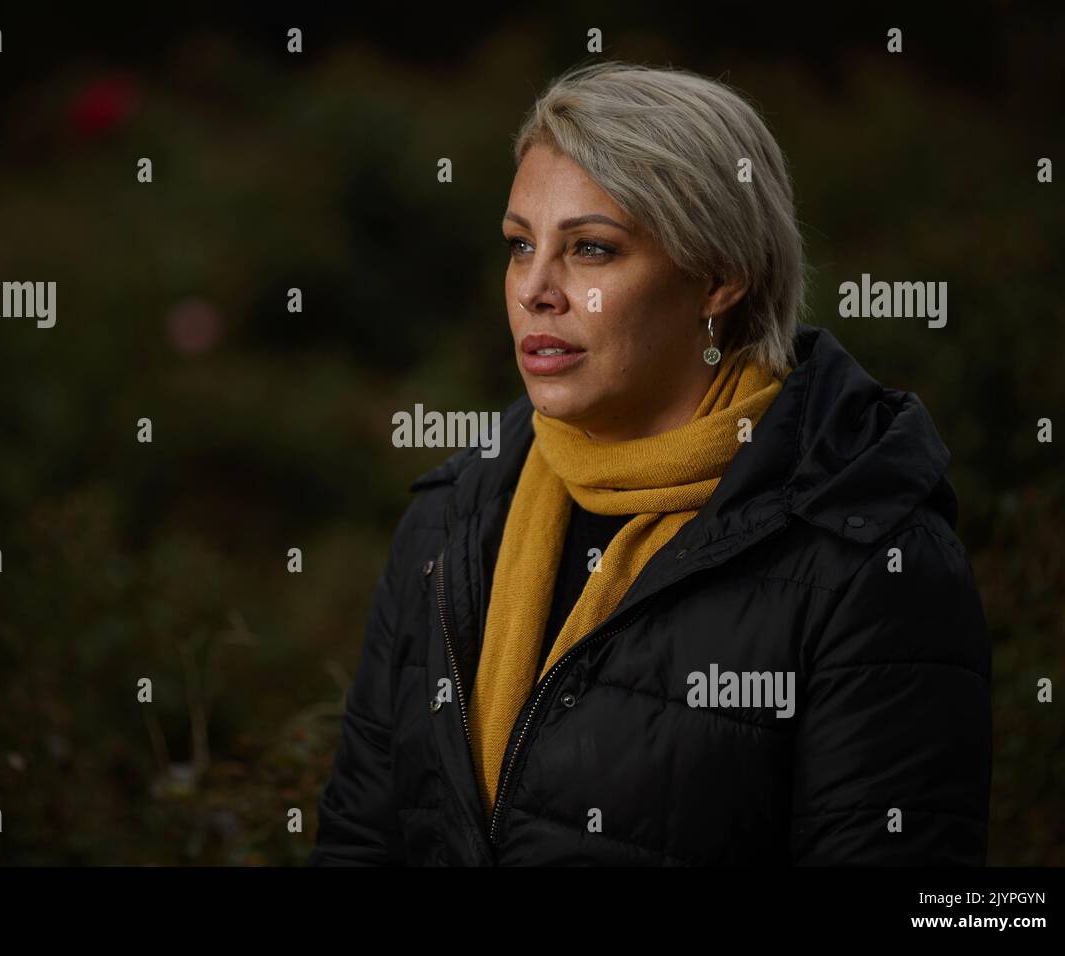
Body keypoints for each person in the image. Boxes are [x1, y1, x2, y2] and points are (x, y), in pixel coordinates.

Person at [309, 60, 991, 865]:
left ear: (719, 276)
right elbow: (360, 842)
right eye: (520, 245)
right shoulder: (448, 517)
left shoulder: (869, 555)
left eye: (591, 249)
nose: (535, 289)